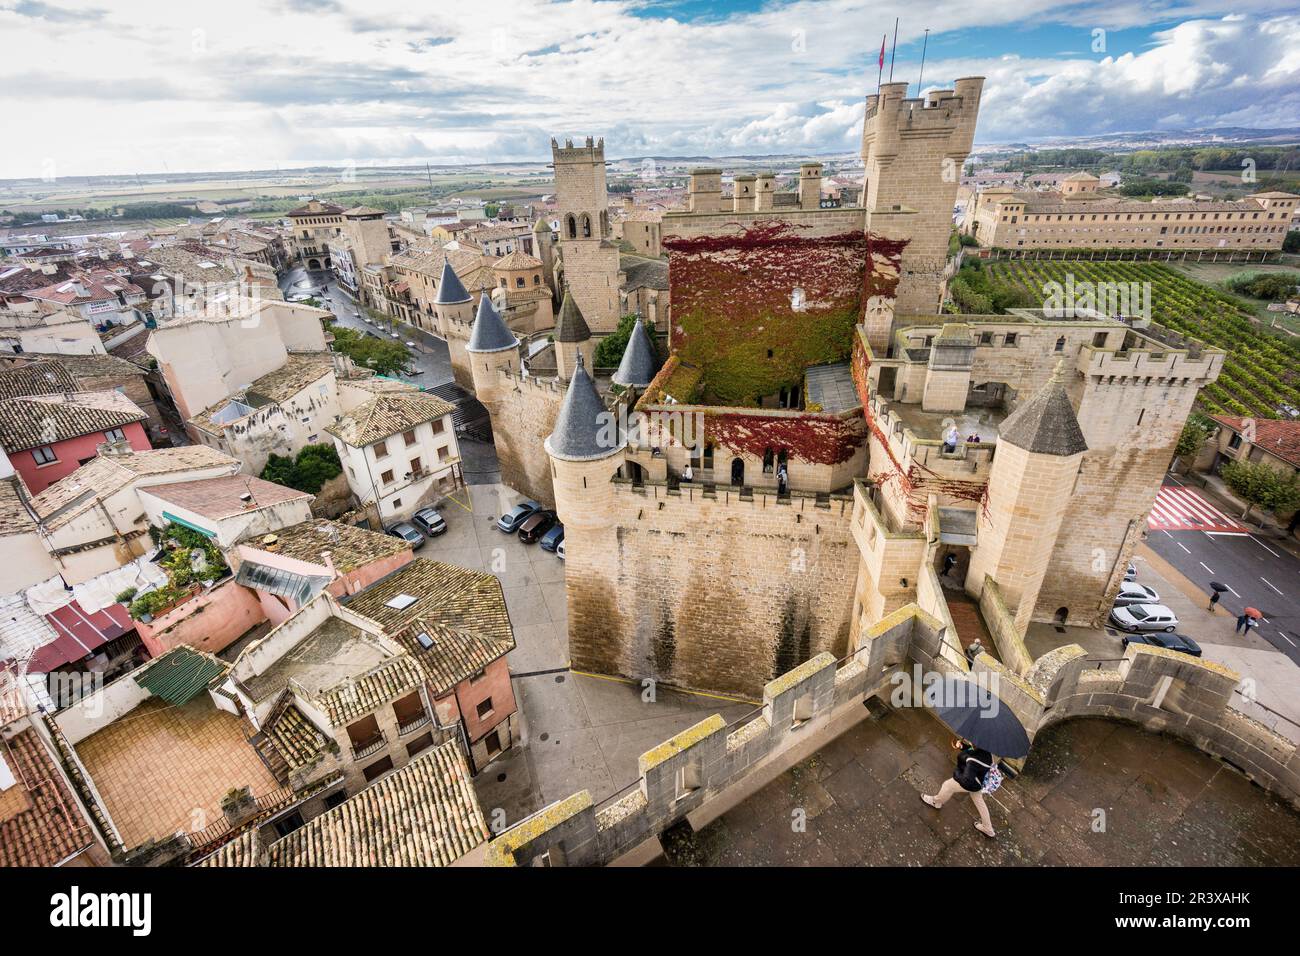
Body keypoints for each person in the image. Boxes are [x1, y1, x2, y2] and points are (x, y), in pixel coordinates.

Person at [922, 740, 998, 838]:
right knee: (979, 802)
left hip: (972, 783)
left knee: (947, 785)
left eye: (972, 741)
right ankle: (988, 829)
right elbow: (973, 751)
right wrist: (962, 746)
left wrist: (956, 774)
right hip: (979, 781)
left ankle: (936, 802)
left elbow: (966, 780)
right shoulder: (986, 752)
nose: (970, 741)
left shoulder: (973, 761)